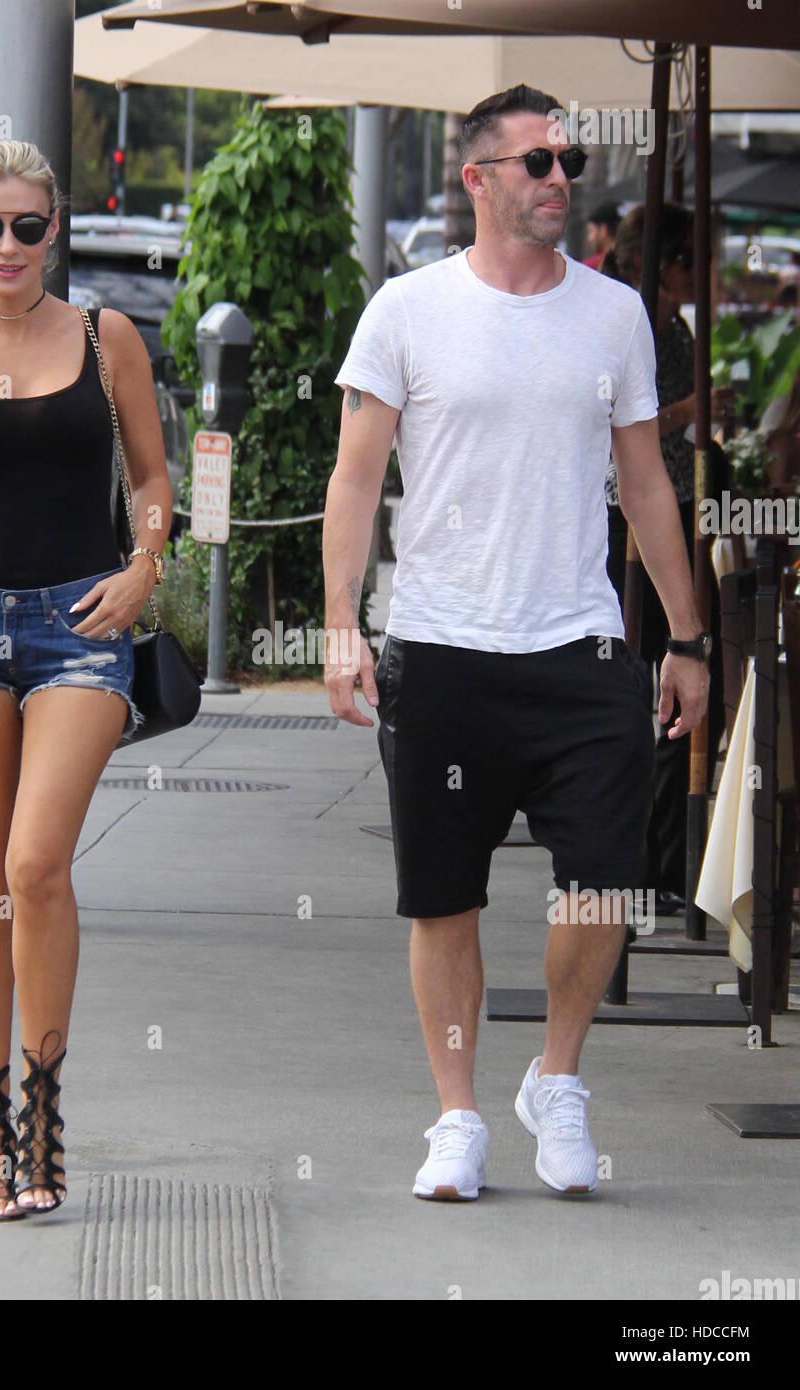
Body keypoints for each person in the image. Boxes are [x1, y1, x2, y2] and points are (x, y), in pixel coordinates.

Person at [324, 85, 709, 1201]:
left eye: (568, 162)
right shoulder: (406, 309)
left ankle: (557, 1074)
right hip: (440, 645)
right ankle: (456, 1116)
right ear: (477, 178)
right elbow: (353, 479)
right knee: (442, 895)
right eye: (536, 162)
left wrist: (683, 636)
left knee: (603, 883)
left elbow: (641, 482)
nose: (557, 180)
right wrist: (342, 627)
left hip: (580, 645)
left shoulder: (612, 315)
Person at [0, 139, 173, 1219]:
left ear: (57, 229)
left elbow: (151, 477)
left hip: (78, 626)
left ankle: (46, 1116)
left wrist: (146, 565)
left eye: (28, 226)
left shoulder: (108, 340)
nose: (7, 246)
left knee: (35, 862)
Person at [602, 204, 732, 914]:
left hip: (667, 506)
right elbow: (637, 429)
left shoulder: (658, 320)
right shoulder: (642, 323)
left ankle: (656, 853)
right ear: (676, 261)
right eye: (698, 260)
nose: (706, 273)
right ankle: (651, 855)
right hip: (653, 513)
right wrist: (691, 410)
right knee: (658, 676)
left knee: (660, 676)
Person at [583, 200, 620, 270]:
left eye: (590, 231)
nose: (589, 239)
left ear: (603, 230)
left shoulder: (590, 266)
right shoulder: (634, 261)